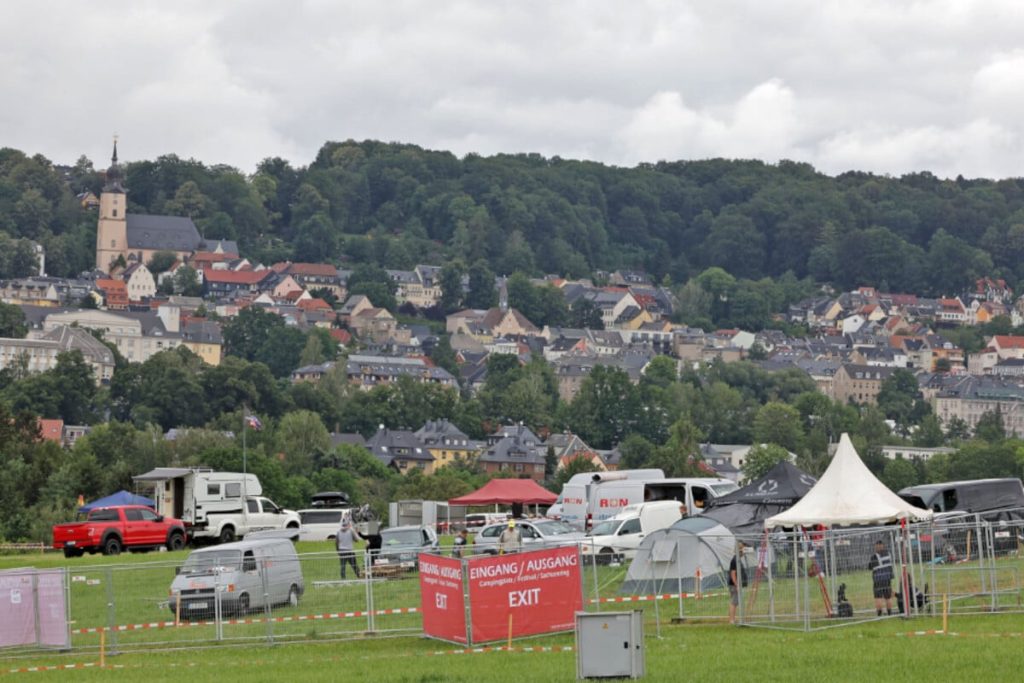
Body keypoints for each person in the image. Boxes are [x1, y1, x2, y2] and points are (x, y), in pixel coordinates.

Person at [868, 540, 894, 616]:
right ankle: (889, 613)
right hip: (887, 579)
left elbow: (870, 567)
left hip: (878, 580)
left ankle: (879, 614)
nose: (876, 547)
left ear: (878, 546)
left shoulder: (874, 556)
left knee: (878, 597)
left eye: (876, 546)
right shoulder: (888, 554)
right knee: (888, 597)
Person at [336, 513, 362, 580]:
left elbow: (337, 542)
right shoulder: (351, 530)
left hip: (342, 551)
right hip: (350, 550)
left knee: (342, 566)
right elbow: (356, 540)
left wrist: (338, 551)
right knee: (354, 565)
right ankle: (359, 576)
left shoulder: (338, 532)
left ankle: (343, 578)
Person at [728, 540, 747, 624]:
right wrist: (736, 585)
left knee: (735, 602)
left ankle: (734, 619)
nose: (744, 551)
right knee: (734, 602)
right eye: (743, 549)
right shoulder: (735, 560)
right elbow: (733, 573)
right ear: (739, 550)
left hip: (736, 584)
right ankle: (731, 620)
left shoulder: (738, 559)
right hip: (734, 585)